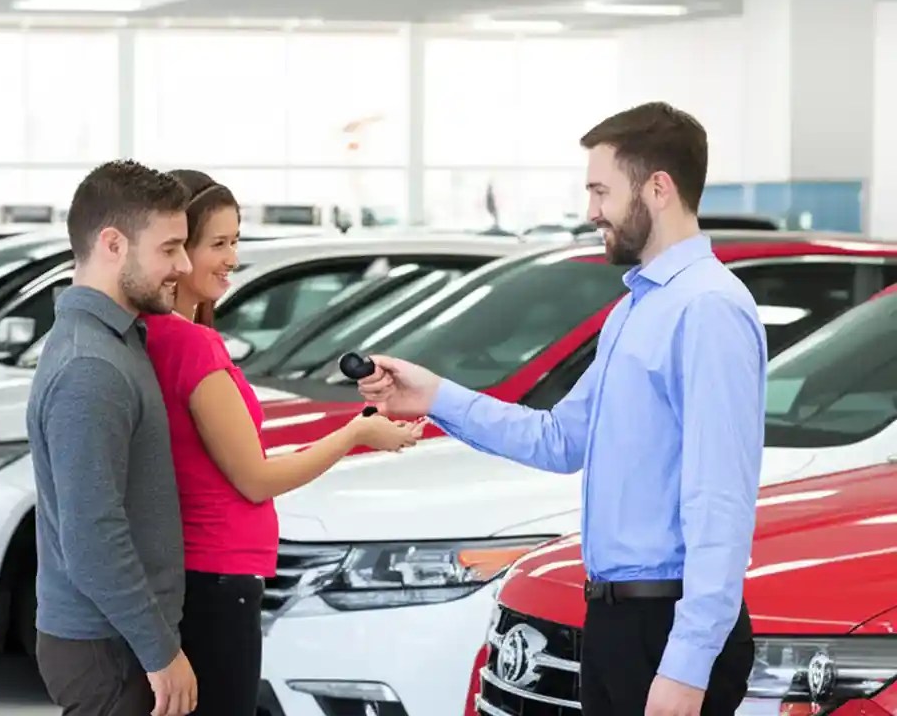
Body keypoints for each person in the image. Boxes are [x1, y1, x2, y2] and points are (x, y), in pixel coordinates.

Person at [356, 102, 765, 716]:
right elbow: (559, 439)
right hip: (614, 625)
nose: (591, 211)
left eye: (601, 190)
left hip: (667, 631)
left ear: (658, 188)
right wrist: (434, 395)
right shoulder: (637, 310)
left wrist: (687, 664)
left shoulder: (707, 309)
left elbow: (721, 503)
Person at [140, 169, 424, 715]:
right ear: (177, 252)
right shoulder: (191, 346)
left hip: (199, 573)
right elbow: (255, 478)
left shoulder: (160, 337)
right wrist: (357, 434)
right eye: (216, 244)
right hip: (216, 577)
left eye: (235, 241)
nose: (231, 258)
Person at [25, 159, 198, 716]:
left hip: (118, 637)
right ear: (113, 244)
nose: (184, 264)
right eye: (170, 249)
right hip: (108, 646)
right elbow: (93, 536)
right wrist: (159, 650)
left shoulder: (114, 343)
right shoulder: (90, 368)